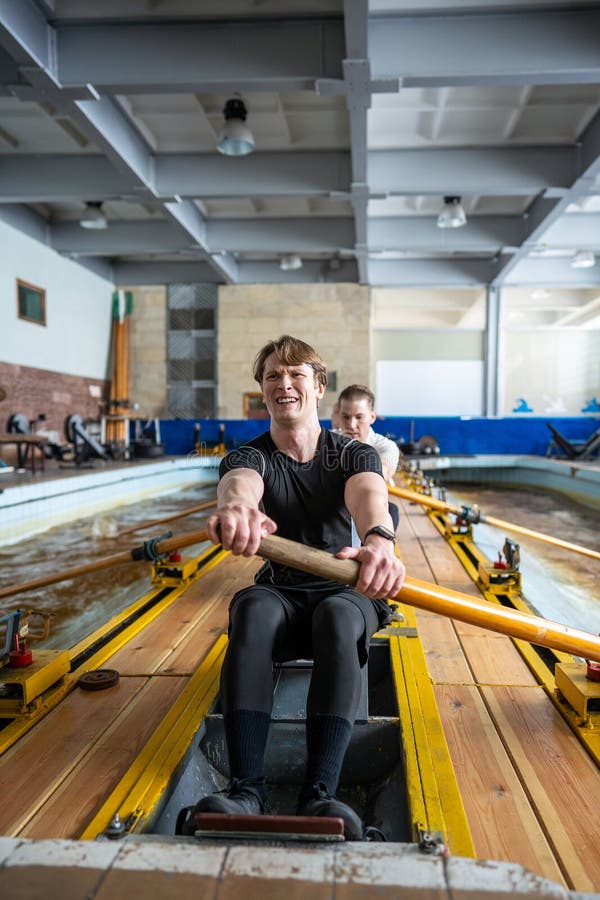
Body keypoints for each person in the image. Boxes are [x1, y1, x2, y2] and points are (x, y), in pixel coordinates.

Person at [195, 335, 405, 840]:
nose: (283, 384)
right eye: (272, 375)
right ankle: (248, 790)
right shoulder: (251, 456)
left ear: (317, 385)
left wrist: (380, 540)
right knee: (252, 609)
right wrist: (237, 509)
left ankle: (321, 793)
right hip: (283, 592)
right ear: (263, 390)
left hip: (345, 589)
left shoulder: (353, 454)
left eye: (295, 375)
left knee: (338, 616)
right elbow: (240, 485)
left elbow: (371, 501)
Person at [337, 384, 400, 531]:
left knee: (392, 511)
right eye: (345, 417)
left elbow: (380, 474)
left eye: (359, 417)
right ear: (338, 415)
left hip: (364, 507)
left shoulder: (386, 447)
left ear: (372, 417)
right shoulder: (324, 441)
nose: (351, 425)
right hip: (331, 509)